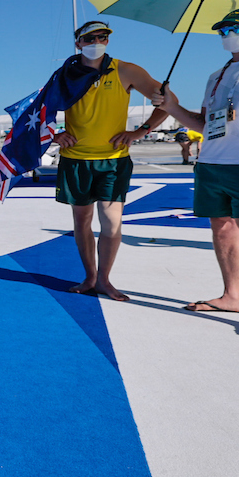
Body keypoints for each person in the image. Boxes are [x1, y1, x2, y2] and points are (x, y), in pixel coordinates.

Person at [153, 9, 239, 337]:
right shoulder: (216, 75)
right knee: (222, 230)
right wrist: (172, 107)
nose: (228, 34)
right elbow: (205, 126)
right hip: (212, 163)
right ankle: (233, 296)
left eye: (237, 27)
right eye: (222, 29)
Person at [50, 21, 170, 301]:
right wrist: (55, 134)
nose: (97, 41)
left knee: (111, 222)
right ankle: (90, 276)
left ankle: (104, 279)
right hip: (75, 160)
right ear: (78, 43)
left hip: (113, 160)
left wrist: (140, 131)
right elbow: (38, 112)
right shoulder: (64, 74)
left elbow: (167, 102)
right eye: (90, 38)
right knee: (82, 221)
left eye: (103, 37)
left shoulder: (125, 70)